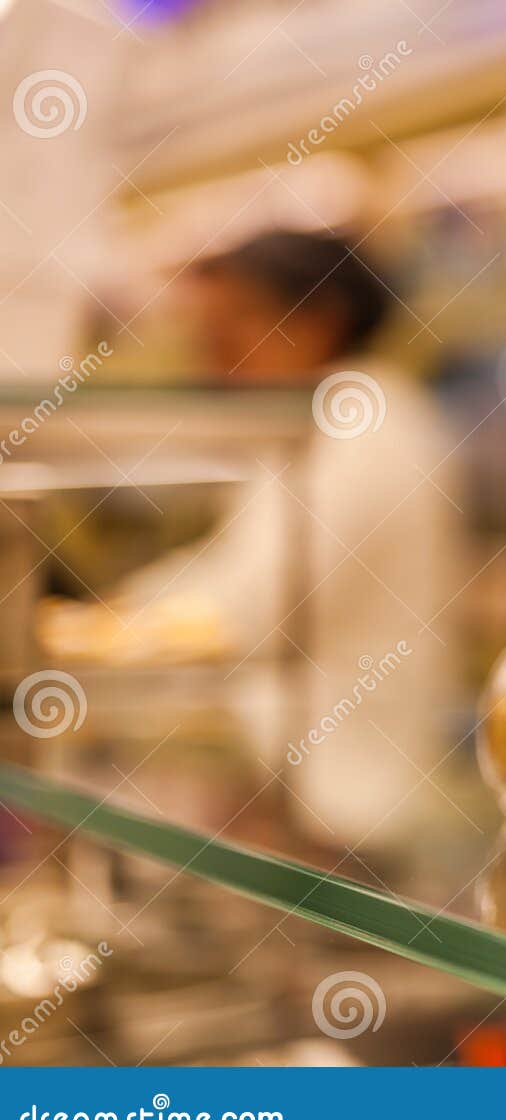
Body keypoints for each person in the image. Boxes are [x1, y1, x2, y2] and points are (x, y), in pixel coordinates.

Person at [115, 230, 465, 851]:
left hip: (351, 807)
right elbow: (229, 571)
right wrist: (127, 609)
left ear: (318, 323)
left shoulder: (363, 422)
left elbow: (251, 608)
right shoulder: (322, 417)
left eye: (236, 325)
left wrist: (117, 624)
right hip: (313, 794)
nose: (214, 354)